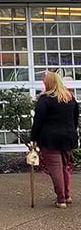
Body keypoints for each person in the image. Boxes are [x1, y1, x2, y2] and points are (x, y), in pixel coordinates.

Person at [30, 72, 79, 208]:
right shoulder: (70, 97)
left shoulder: (45, 99)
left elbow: (38, 121)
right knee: (66, 167)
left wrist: (33, 138)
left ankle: (61, 198)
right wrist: (71, 131)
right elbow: (75, 117)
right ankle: (67, 195)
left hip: (50, 138)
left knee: (56, 168)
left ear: (48, 83)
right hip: (68, 137)